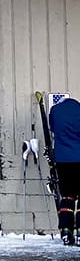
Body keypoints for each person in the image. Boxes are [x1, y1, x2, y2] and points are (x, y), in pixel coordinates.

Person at [49, 95, 80, 245]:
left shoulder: (55, 111)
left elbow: (53, 129)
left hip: (63, 160)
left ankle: (66, 231)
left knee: (67, 196)